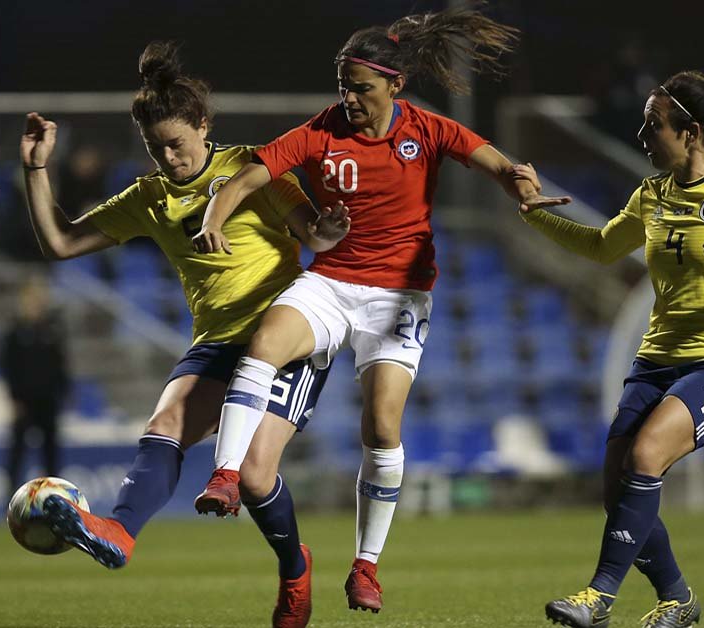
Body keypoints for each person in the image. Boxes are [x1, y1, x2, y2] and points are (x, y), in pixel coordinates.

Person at [189, 6, 569, 614]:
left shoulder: (429, 129)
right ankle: (226, 476)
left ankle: (366, 566)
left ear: (395, 84)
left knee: (381, 427)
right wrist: (214, 216)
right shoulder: (320, 131)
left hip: (400, 296)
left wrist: (522, 187)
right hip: (333, 282)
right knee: (264, 344)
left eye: (360, 88)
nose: (349, 98)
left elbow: (497, 163)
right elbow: (245, 176)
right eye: (342, 86)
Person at [18, 41, 349, 628]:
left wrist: (328, 226)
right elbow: (61, 244)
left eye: (176, 142)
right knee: (164, 424)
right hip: (218, 340)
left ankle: (295, 568)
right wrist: (36, 168)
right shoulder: (149, 199)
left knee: (252, 477)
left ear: (203, 124)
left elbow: (315, 237)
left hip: (286, 336)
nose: (169, 157)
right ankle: (118, 532)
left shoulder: (254, 167)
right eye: (155, 148)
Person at [513, 70, 704, 628]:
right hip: (656, 359)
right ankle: (677, 599)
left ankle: (597, 599)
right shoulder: (651, 194)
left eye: (653, 124)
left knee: (646, 456)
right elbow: (604, 246)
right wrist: (538, 214)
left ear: (691, 132)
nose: (642, 134)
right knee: (617, 484)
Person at [0, 276, 70, 497]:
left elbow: (61, 364)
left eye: (39, 300)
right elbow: (8, 368)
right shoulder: (15, 334)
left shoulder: (52, 331)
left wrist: (65, 391)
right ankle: (10, 496)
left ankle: (55, 497)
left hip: (48, 400)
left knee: (51, 452)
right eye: (32, 300)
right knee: (18, 450)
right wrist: (14, 398)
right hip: (24, 400)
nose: (36, 305)